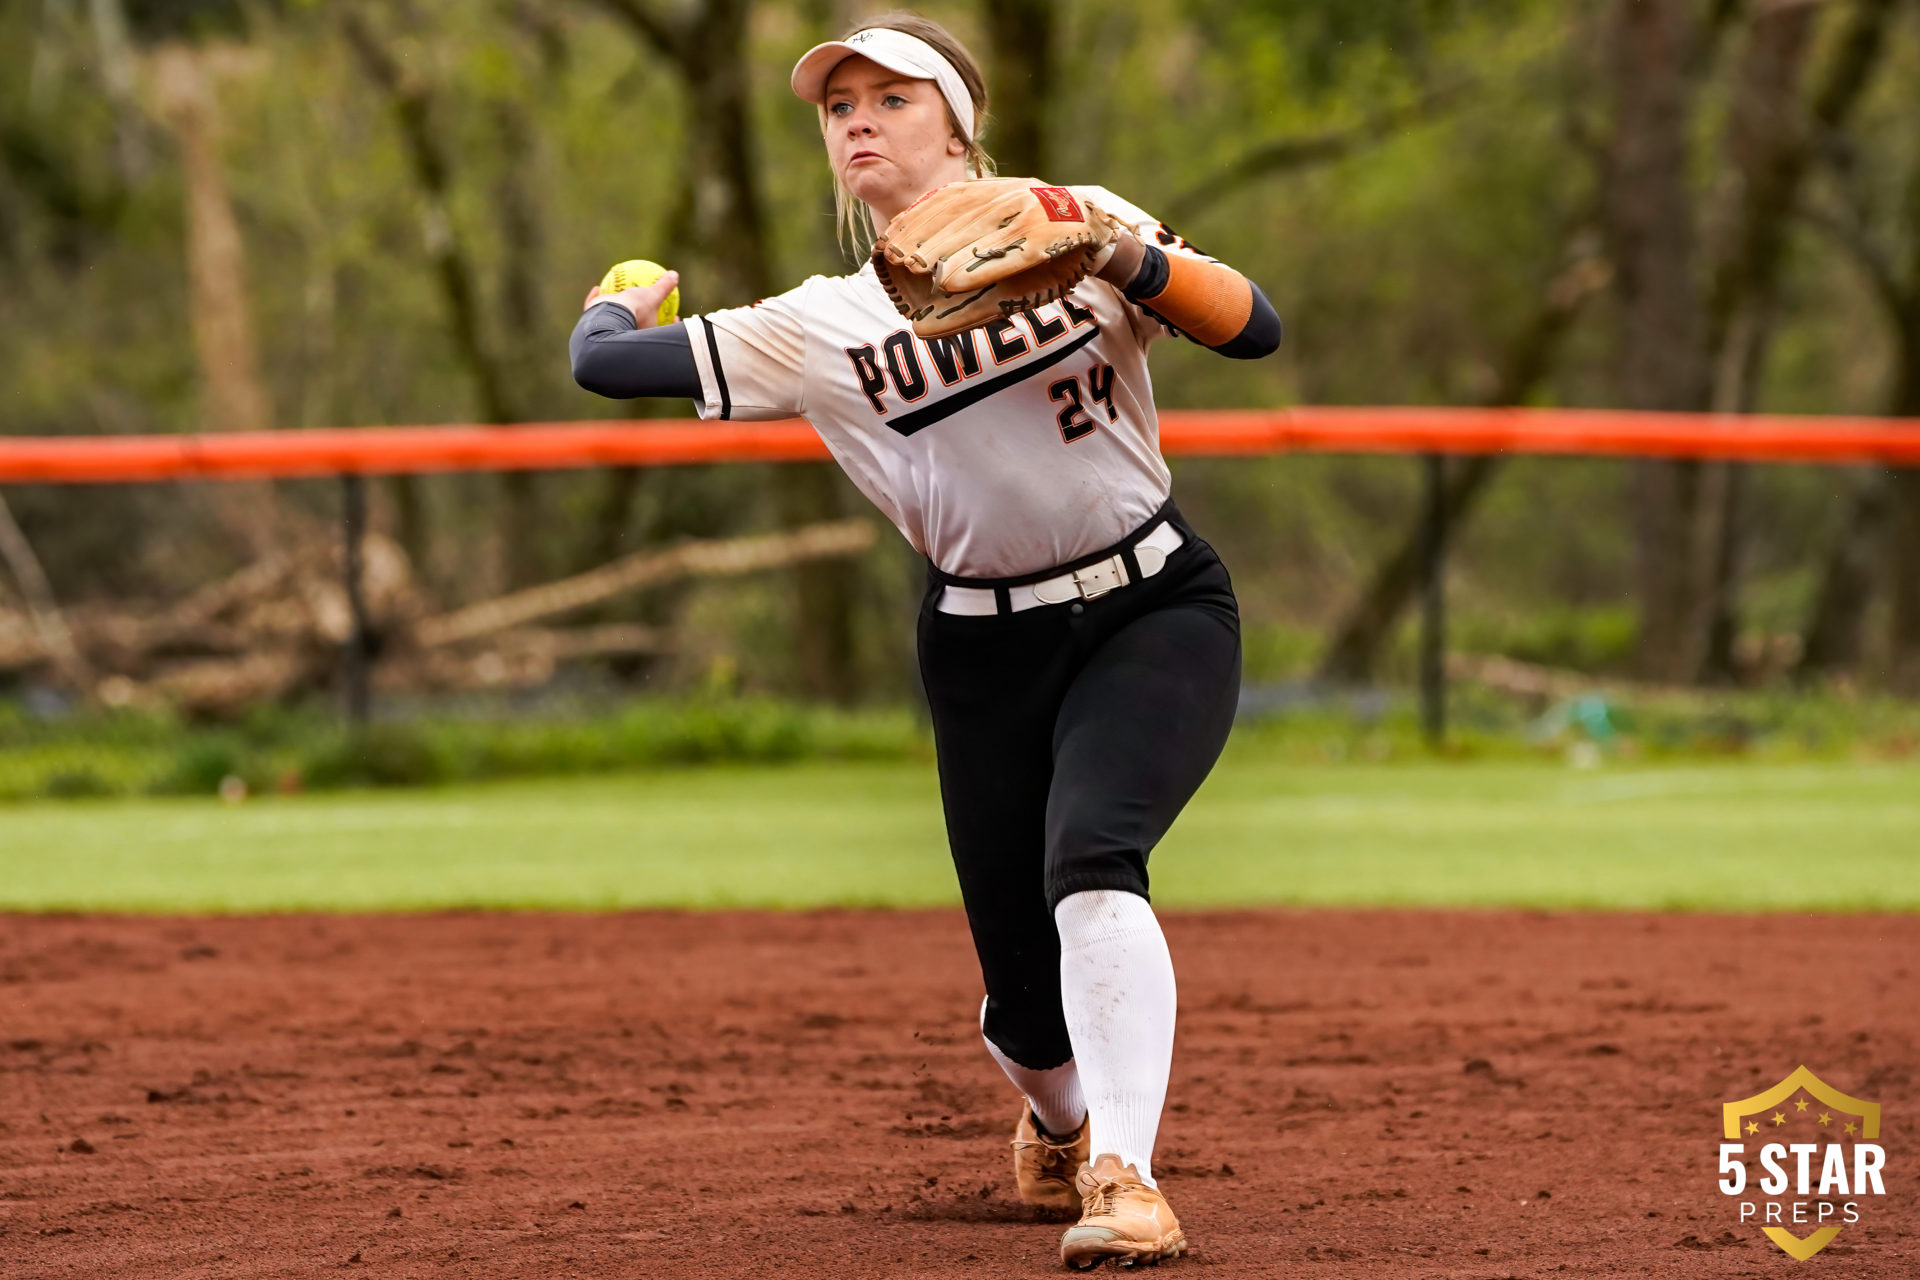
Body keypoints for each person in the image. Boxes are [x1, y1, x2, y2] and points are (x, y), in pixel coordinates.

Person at [570, 12, 1280, 1269]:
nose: (855, 119)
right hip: (981, 650)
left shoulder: (1076, 215)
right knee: (1019, 1008)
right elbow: (605, 369)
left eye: (888, 97)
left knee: (1095, 857)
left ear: (955, 122)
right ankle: (1060, 1123)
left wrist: (1121, 255)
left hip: (1152, 603)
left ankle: (1125, 1175)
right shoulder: (822, 322)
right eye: (837, 105)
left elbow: (1254, 324)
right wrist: (616, 297)